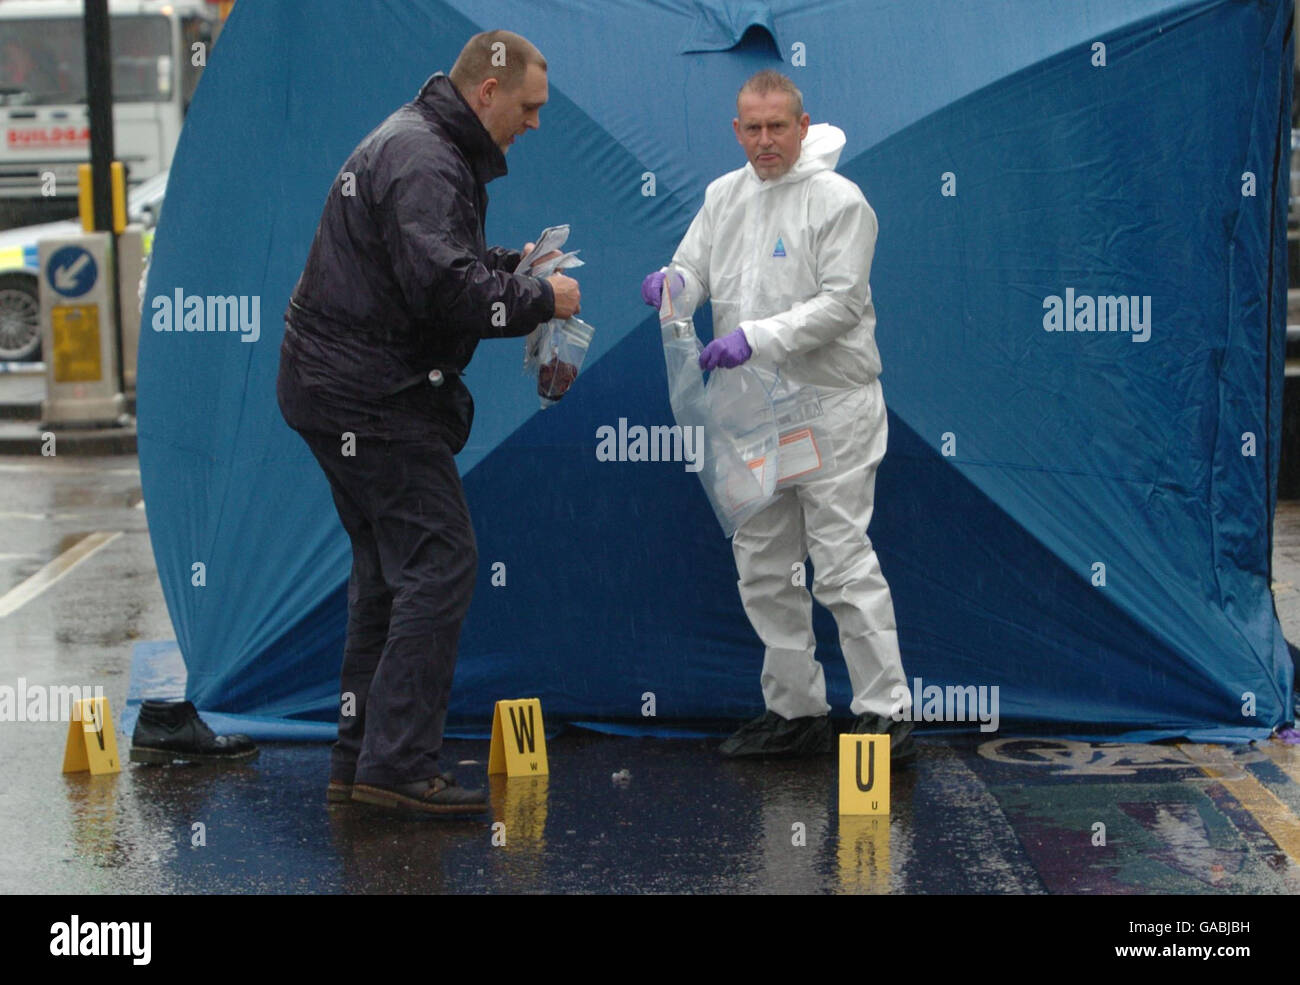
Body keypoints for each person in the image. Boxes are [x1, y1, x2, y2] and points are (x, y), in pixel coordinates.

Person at [277, 30, 581, 814]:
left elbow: (438, 262)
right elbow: (446, 292)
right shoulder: (426, 157)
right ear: (487, 92)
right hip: (367, 393)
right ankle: (398, 765)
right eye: (530, 107)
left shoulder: (422, 143)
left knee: (387, 573)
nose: (536, 123)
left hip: (338, 385)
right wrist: (543, 300)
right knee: (441, 559)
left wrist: (510, 266)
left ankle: (361, 761)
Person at [641, 70, 915, 763]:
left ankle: (886, 714)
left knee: (842, 564)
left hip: (831, 410)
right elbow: (693, 266)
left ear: (802, 123)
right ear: (737, 131)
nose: (764, 141)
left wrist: (754, 337)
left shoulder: (839, 201)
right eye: (752, 128)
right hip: (754, 412)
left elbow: (841, 304)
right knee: (763, 564)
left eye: (777, 127)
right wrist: (674, 285)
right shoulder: (723, 197)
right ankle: (796, 711)